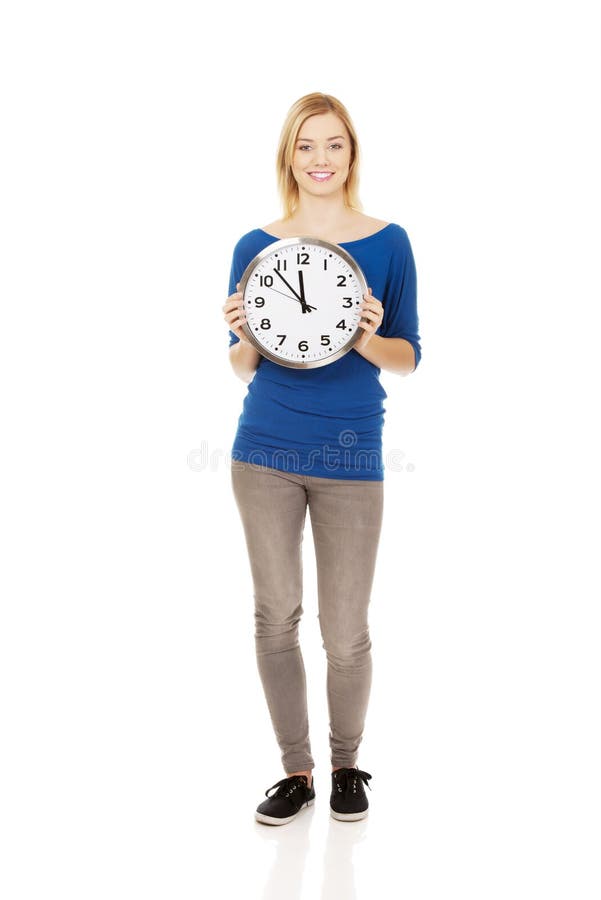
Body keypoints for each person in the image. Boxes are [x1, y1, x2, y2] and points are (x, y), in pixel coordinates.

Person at [222, 92, 421, 825]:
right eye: (306, 146)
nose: (319, 160)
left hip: (351, 455)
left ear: (351, 154)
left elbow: (407, 360)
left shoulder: (389, 242)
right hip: (263, 451)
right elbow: (245, 367)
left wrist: (366, 335)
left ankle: (346, 765)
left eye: (333, 145)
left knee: (345, 629)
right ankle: (296, 772)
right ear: (288, 156)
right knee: (275, 616)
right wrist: (243, 332)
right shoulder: (256, 246)